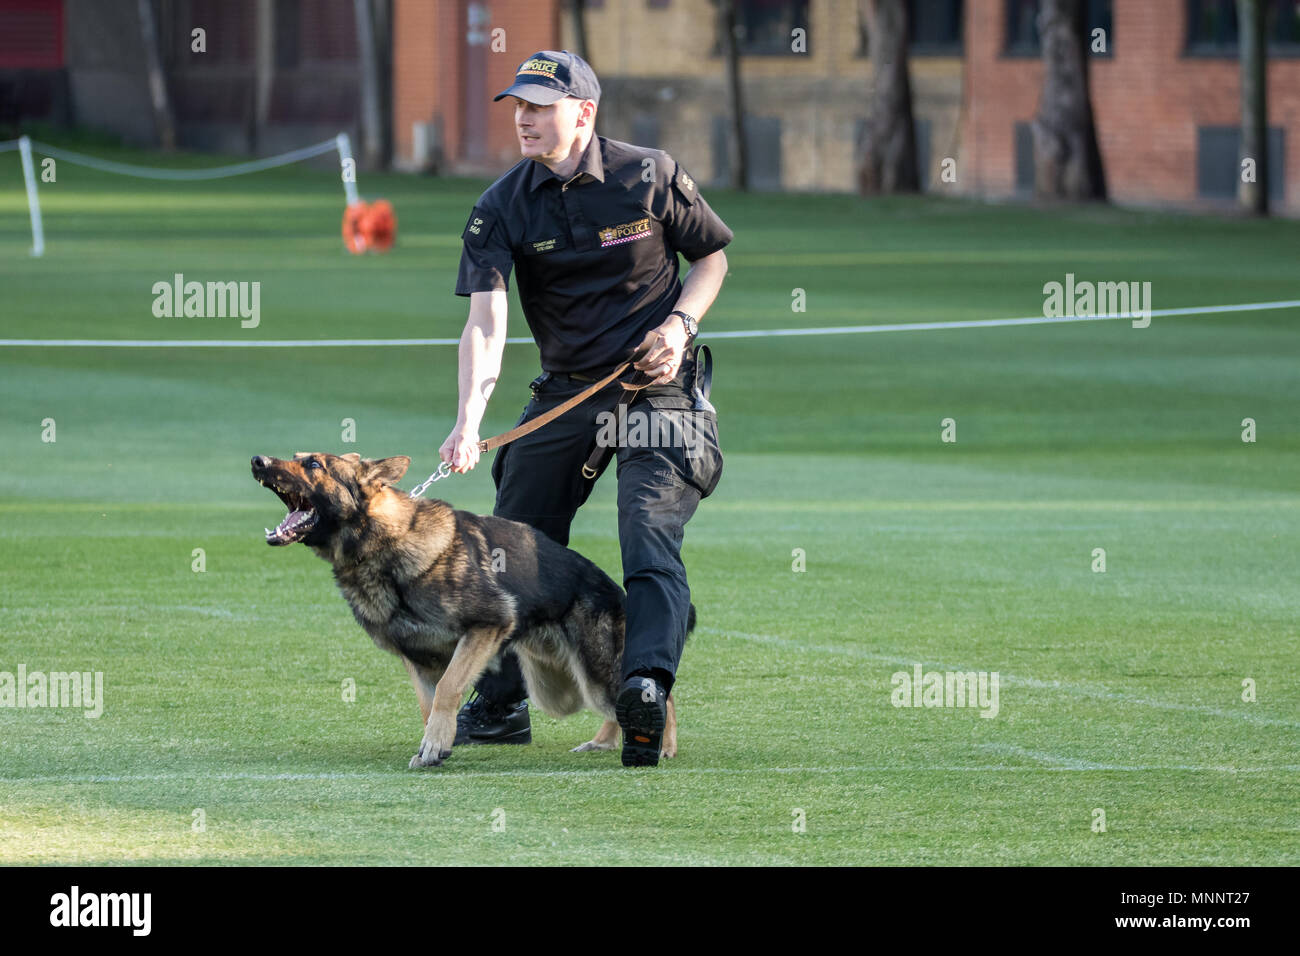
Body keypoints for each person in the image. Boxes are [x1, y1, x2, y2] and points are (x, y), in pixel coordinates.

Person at [441, 50, 731, 766]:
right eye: (519, 106)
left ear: (584, 112)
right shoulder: (502, 205)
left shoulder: (649, 174)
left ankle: (643, 688)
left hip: (659, 387)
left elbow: (712, 259)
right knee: (506, 545)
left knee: (645, 530)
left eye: (540, 105)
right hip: (568, 389)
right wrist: (468, 421)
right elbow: (486, 322)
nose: (525, 119)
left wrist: (679, 326)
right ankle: (502, 704)